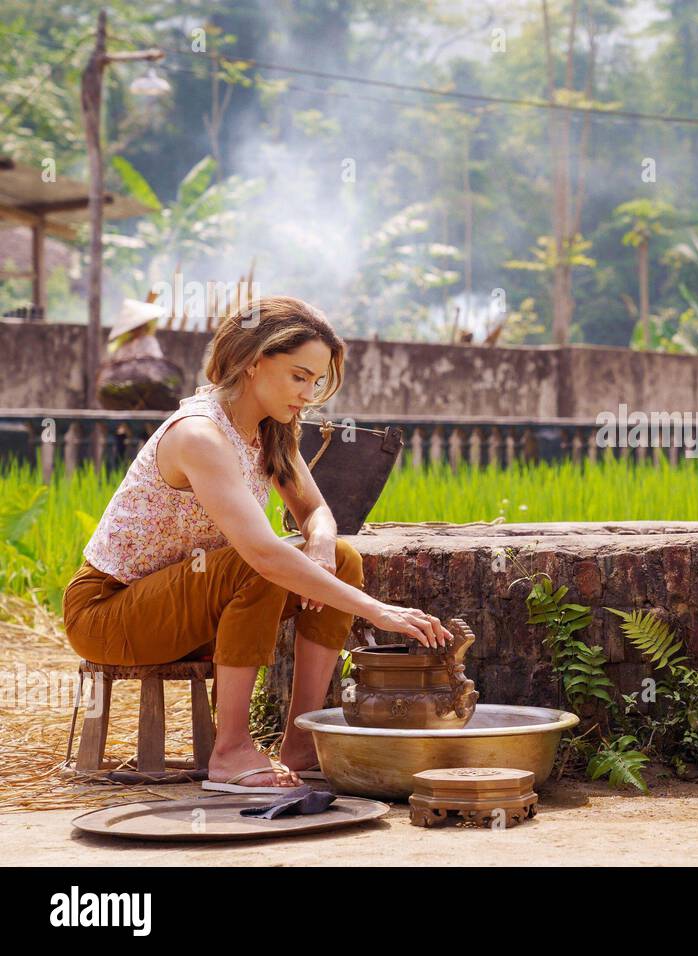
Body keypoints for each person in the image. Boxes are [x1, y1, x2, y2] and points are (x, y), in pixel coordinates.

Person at [62, 296, 454, 793]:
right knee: (259, 564)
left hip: (187, 605)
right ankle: (230, 751)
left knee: (342, 558)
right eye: (298, 376)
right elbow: (264, 554)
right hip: (109, 611)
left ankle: (302, 741)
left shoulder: (273, 430)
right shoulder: (200, 435)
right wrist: (378, 611)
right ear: (253, 361)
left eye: (316, 381)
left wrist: (320, 544)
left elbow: (316, 511)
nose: (309, 394)